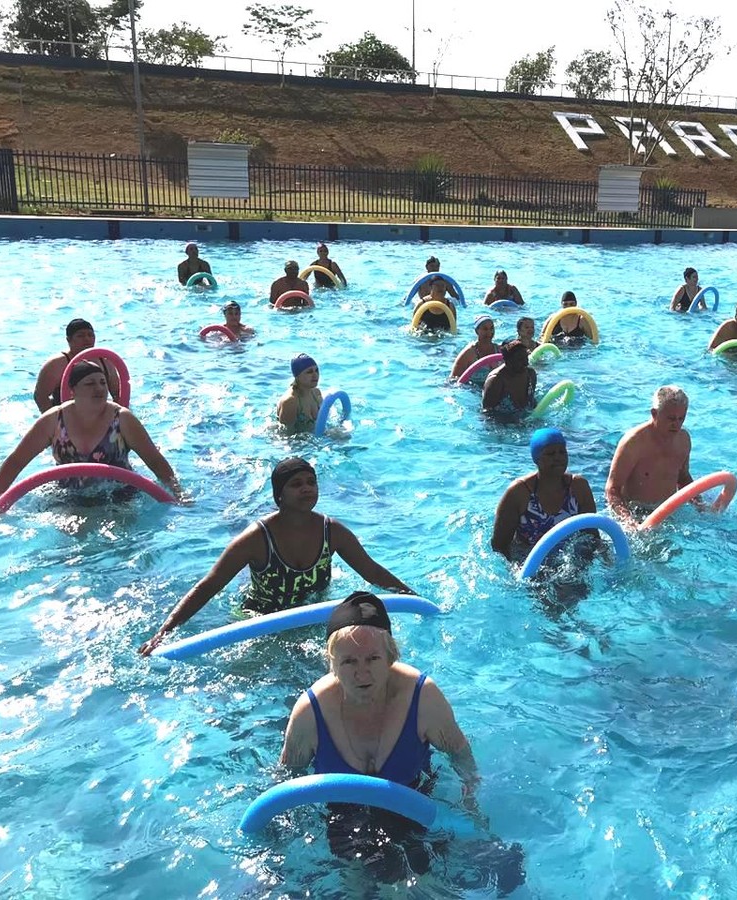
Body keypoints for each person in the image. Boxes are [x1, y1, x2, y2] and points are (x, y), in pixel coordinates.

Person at [279, 594, 523, 890]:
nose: (361, 672)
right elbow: (287, 781)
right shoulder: (310, 712)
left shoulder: (422, 697)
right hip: (344, 816)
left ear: (391, 655)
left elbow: (460, 754)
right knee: (370, 881)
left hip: (415, 800)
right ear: (332, 663)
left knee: (501, 873)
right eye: (349, 661)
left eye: (372, 658)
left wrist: (471, 806)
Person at [138, 458, 414, 655]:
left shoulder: (333, 532)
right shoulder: (255, 540)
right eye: (296, 484)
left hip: (311, 614)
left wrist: (411, 597)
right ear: (279, 495)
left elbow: (372, 572)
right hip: (259, 619)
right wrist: (164, 633)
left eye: (311, 482)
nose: (306, 488)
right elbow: (208, 586)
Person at [0, 360, 182, 505]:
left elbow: (155, 462)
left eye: (103, 383)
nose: (99, 388)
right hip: (68, 496)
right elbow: (16, 461)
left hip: (119, 495)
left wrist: (178, 496)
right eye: (90, 384)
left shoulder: (122, 419)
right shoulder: (53, 420)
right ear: (72, 390)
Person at [491, 427, 598, 559]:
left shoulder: (578, 487)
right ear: (536, 459)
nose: (558, 457)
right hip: (529, 561)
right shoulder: (519, 493)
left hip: (569, 560)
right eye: (550, 454)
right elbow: (499, 546)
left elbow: (592, 536)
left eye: (562, 452)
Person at [605, 386, 693, 521]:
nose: (676, 424)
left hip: (670, 512)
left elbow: (683, 478)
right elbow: (612, 489)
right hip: (637, 512)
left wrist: (700, 504)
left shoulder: (683, 440)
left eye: (681, 418)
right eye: (671, 418)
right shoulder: (633, 442)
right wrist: (628, 521)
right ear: (654, 414)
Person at [33, 318, 122, 412]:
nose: (87, 339)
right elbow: (40, 396)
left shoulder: (105, 361)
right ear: (69, 340)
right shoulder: (57, 364)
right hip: (67, 416)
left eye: (90, 335)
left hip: (98, 416)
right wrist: (57, 421)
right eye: (80, 336)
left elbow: (117, 394)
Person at [482, 340, 537, 411]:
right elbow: (487, 412)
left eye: (526, 358)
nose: (526, 363)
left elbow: (531, 402)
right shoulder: (496, 380)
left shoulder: (530, 374)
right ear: (508, 361)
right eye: (520, 359)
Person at [277, 353, 323, 434]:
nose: (315, 375)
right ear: (297, 376)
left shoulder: (316, 393)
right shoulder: (290, 402)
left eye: (316, 370)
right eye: (309, 372)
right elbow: (285, 436)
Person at [450, 314, 499, 380]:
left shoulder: (499, 350)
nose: (489, 332)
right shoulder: (469, 353)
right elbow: (453, 379)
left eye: (491, 328)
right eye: (485, 329)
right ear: (476, 331)